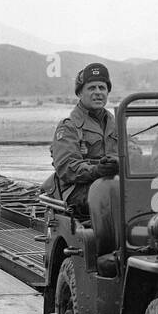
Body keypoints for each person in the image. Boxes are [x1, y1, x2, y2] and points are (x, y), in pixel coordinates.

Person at [44, 62, 119, 217]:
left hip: (113, 183)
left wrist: (119, 162)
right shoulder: (69, 127)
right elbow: (66, 167)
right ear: (80, 93)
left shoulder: (116, 124)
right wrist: (97, 170)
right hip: (77, 189)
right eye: (91, 88)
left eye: (102, 88)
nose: (98, 93)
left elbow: (133, 151)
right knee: (111, 197)